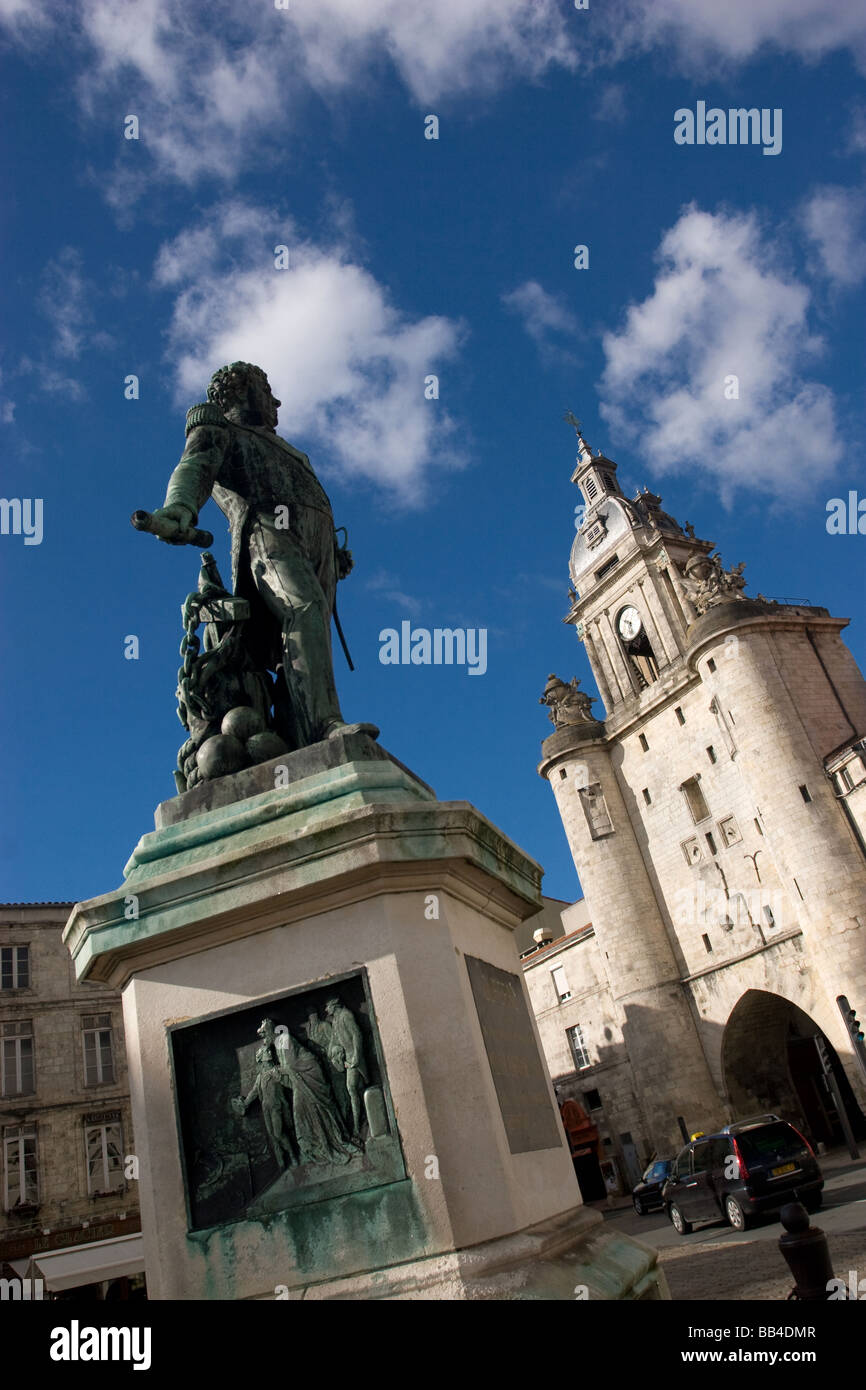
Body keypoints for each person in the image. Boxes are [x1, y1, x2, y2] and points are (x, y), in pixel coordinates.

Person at [147, 361, 352, 750]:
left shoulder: (290, 451)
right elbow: (194, 466)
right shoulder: (217, 427)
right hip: (267, 533)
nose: (275, 400)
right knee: (303, 608)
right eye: (266, 389)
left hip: (315, 545)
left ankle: (298, 735)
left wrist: (335, 554)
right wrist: (180, 508)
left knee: (309, 633)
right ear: (239, 390)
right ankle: (325, 725)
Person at [324, 996, 368, 1138]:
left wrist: (357, 1056)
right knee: (355, 1089)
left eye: (328, 1006)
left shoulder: (346, 1015)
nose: (326, 1009)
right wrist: (332, 1050)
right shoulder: (336, 1019)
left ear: (334, 1005)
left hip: (354, 1058)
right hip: (347, 1060)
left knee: (352, 1088)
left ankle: (357, 1125)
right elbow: (334, 1039)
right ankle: (362, 1118)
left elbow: (357, 1035)